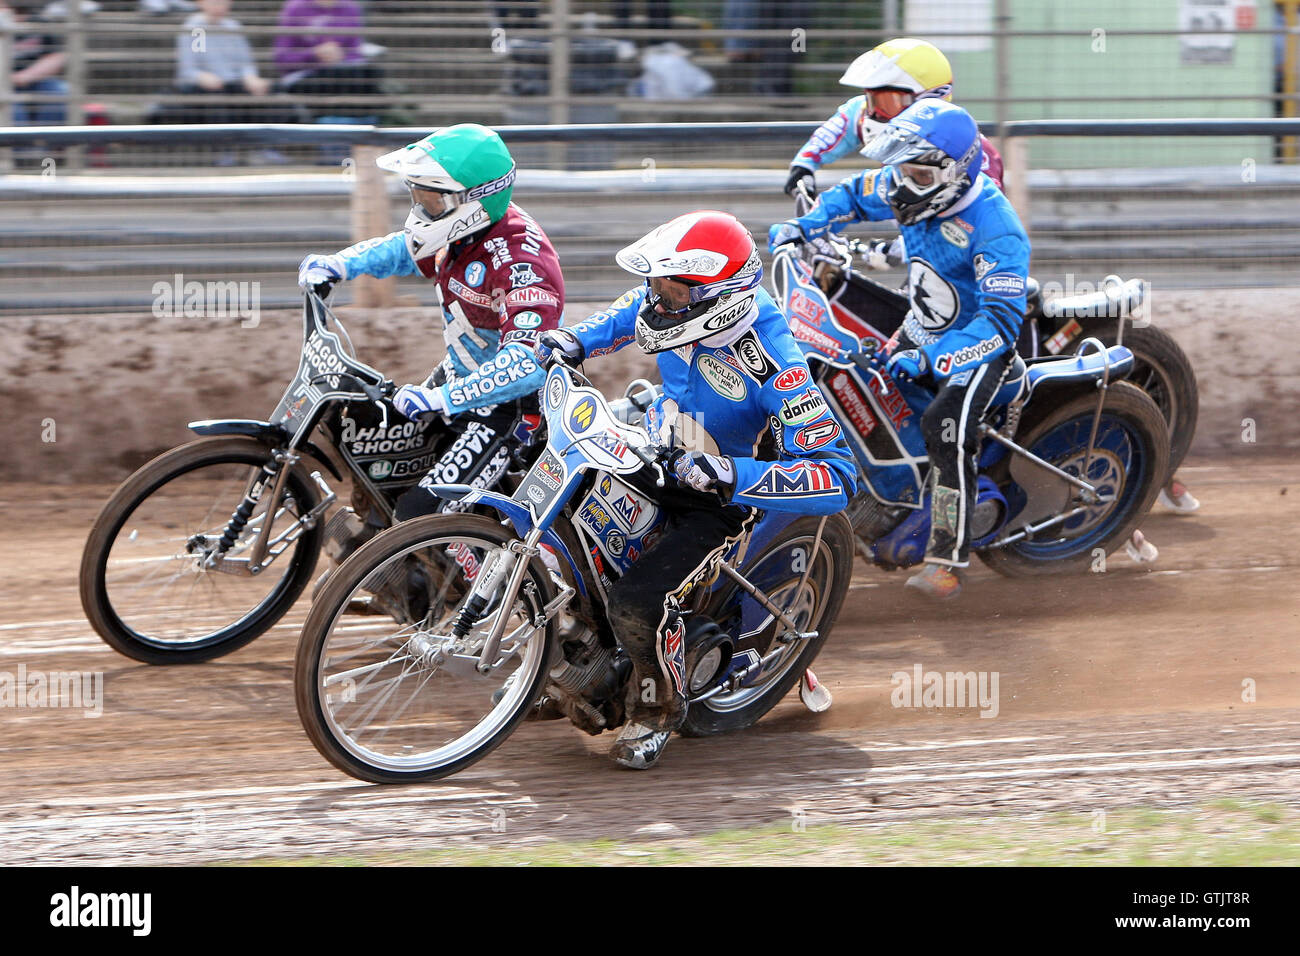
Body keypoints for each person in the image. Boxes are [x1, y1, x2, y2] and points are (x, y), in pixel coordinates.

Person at [533, 210, 857, 770]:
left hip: (724, 499)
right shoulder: (676, 310)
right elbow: (628, 314)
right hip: (661, 450)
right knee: (571, 531)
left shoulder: (777, 363)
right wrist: (573, 340)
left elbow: (838, 477)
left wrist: (731, 475)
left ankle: (656, 709)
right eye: (655, 284)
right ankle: (558, 664)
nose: (656, 301)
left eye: (671, 291)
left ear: (720, 297)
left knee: (637, 598)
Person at [770, 100, 1029, 601]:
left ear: (954, 173)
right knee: (864, 378)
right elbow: (854, 195)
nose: (904, 186)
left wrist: (933, 357)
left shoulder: (995, 227)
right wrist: (805, 227)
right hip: (924, 325)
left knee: (944, 430)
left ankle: (946, 559)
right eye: (901, 171)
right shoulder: (911, 187)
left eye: (918, 175)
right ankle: (890, 493)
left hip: (979, 349)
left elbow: (998, 322)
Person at [297, 123, 564, 527]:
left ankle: (480, 587)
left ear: (474, 199)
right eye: (417, 195)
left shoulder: (523, 263)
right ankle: (402, 579)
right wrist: (340, 263)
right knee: (382, 469)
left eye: (432, 198)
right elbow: (406, 248)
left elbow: (529, 363)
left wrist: (443, 399)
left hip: (509, 411)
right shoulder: (462, 230)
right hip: (456, 381)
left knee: (420, 513)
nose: (421, 208)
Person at [783, 37, 1003, 199]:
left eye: (888, 102)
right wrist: (804, 166)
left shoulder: (975, 154)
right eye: (872, 99)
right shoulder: (870, 116)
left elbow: (987, 219)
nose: (875, 113)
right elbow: (848, 118)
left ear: (929, 100)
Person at [158, 0, 299, 145]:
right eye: (215, 3)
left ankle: (266, 147)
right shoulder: (197, 30)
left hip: (233, 83)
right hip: (207, 87)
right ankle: (225, 151)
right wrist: (202, 76)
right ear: (201, 3)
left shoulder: (233, 27)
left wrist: (250, 77)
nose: (220, 7)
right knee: (215, 99)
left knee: (269, 91)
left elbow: (245, 63)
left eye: (224, 3)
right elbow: (190, 69)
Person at [273, 0, 382, 118]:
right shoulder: (295, 7)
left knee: (370, 72)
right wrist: (314, 54)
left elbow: (356, 54)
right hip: (307, 76)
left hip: (343, 74)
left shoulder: (351, 7)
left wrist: (341, 55)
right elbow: (282, 58)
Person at [3, 0, 68, 126]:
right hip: (3, 84)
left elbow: (56, 58)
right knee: (10, 107)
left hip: (36, 81)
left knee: (60, 91)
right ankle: (21, 143)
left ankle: (47, 141)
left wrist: (23, 77)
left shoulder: (40, 22)